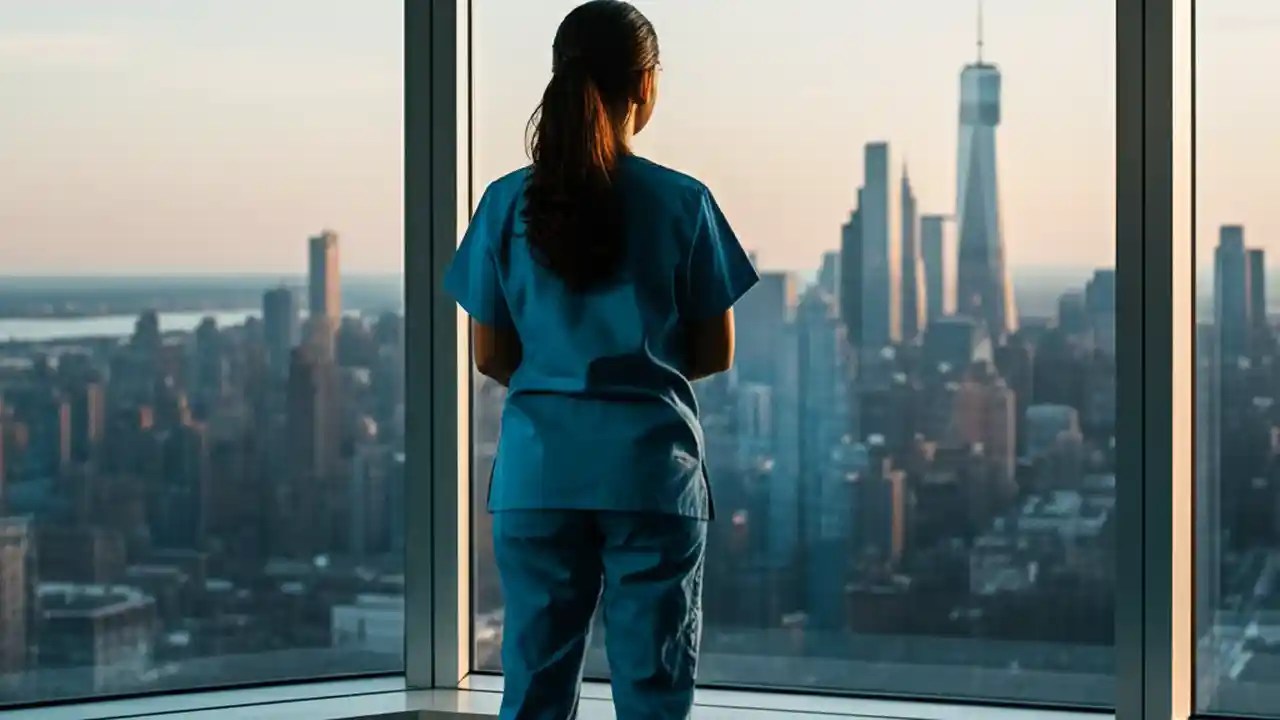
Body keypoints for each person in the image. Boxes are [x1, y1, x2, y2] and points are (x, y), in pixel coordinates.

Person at [444, 1, 758, 717]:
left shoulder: (502, 204)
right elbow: (715, 349)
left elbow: (491, 354)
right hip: (650, 475)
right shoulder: (684, 202)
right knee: (653, 692)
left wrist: (558, 367)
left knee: (534, 692)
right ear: (645, 85)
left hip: (537, 476)